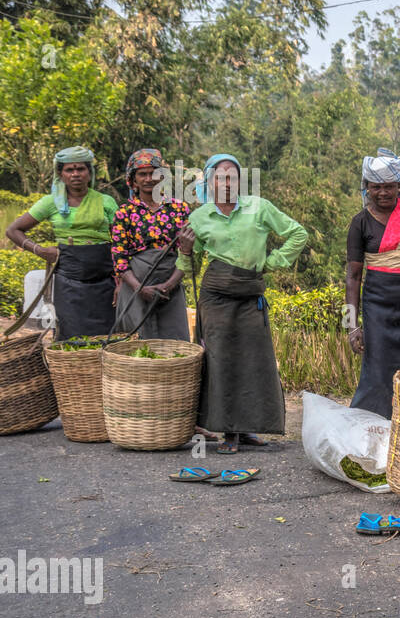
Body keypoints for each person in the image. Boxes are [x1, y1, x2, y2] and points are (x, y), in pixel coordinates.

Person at [177, 154, 307, 455]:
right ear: (209, 183)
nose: (226, 183)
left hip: (250, 295)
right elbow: (188, 262)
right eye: (219, 177)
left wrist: (271, 262)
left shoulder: (259, 208)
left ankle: (248, 429)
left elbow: (297, 233)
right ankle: (228, 433)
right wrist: (185, 249)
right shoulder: (200, 217)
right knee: (220, 362)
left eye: (232, 177)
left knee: (253, 362)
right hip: (216, 297)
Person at [345, 149, 400, 419]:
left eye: (389, 187)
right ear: (367, 188)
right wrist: (352, 325)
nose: (383, 193)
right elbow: (353, 277)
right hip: (378, 308)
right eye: (376, 187)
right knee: (377, 369)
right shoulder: (360, 223)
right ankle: (373, 428)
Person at [5, 146, 117, 339]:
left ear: (89, 172)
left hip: (105, 281)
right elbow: (13, 230)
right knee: (70, 336)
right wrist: (39, 250)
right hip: (69, 282)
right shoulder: (51, 203)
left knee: (107, 337)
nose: (75, 174)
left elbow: (120, 241)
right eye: (69, 170)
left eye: (81, 169)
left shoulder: (106, 201)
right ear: (60, 174)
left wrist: (121, 280)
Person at [110, 149, 191, 340]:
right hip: (135, 286)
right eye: (142, 174)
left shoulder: (179, 209)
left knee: (174, 341)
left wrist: (169, 285)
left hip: (171, 282)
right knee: (138, 341)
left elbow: (187, 253)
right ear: (133, 180)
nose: (149, 179)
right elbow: (120, 259)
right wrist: (139, 288)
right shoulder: (124, 213)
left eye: (153, 173)